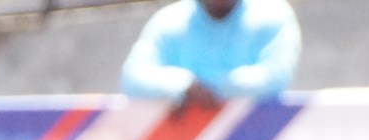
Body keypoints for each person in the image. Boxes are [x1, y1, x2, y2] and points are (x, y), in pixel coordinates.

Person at [119, 0, 301, 108]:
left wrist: (211, 88)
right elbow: (132, 78)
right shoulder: (169, 20)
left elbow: (277, 76)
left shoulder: (272, 15)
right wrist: (184, 84)